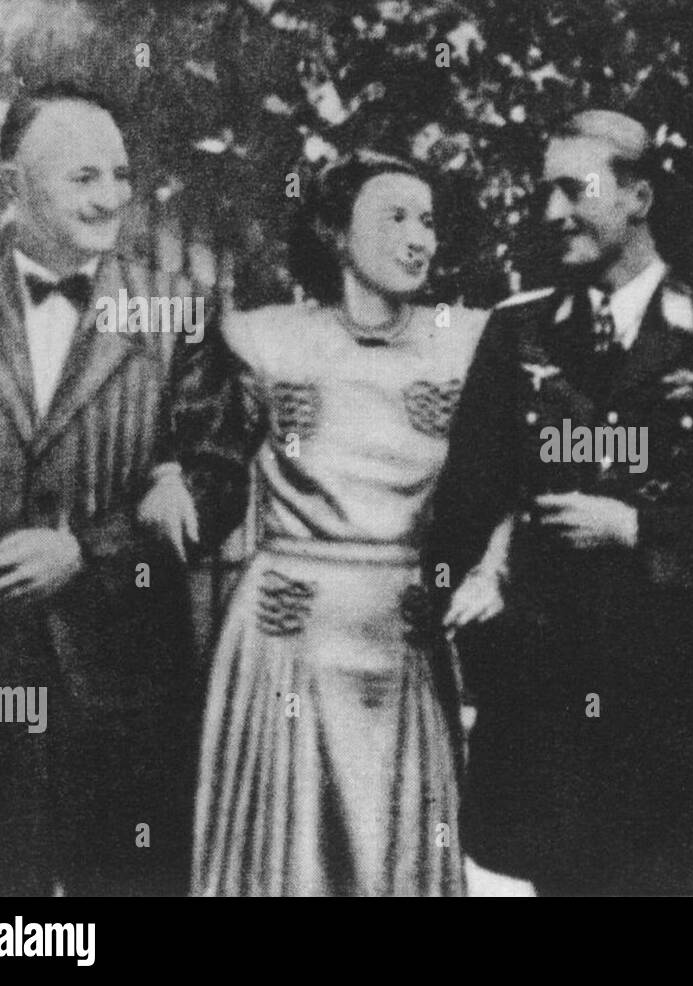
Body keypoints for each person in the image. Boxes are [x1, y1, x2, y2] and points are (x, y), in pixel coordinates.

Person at [429, 109, 693, 895]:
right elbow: (459, 515)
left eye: (573, 189)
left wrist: (639, 528)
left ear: (639, 196)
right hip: (546, 721)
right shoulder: (516, 333)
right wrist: (494, 633)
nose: (553, 213)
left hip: (676, 720)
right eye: (544, 194)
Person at [179, 151, 486, 896]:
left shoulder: (469, 340)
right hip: (286, 638)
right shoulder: (265, 338)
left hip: (403, 638)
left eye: (429, 221)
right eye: (396, 217)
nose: (420, 238)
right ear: (335, 233)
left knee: (394, 851)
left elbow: (507, 484)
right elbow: (208, 462)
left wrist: (492, 563)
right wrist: (172, 478)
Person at [0, 83, 199, 895]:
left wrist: (83, 549)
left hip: (127, 674)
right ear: (14, 187)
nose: (112, 198)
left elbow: (216, 469)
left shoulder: (176, 313)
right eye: (83, 177)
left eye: (120, 175)